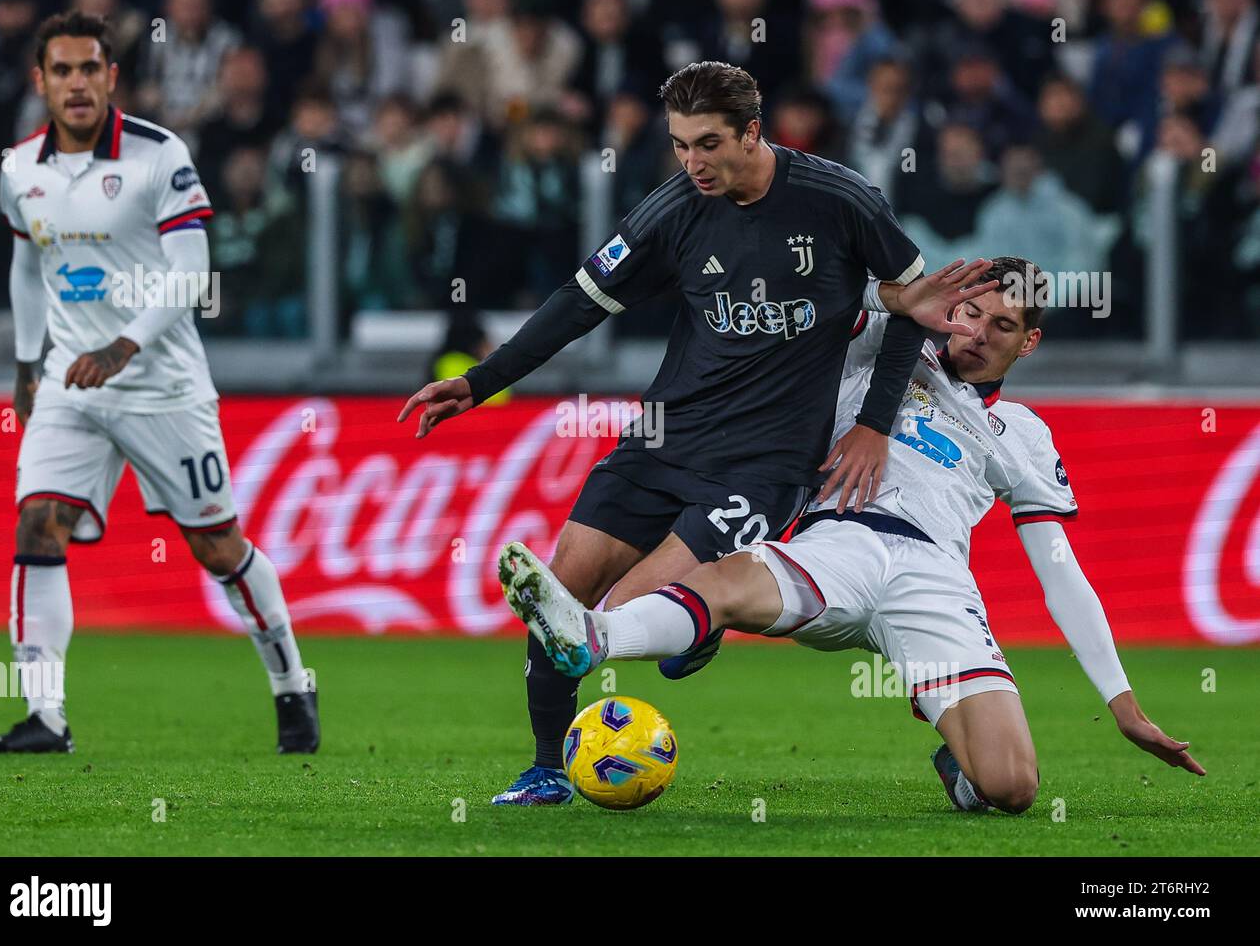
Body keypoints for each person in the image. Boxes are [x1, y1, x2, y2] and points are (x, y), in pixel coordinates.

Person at [400, 61, 991, 805]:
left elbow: (917, 304)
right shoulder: (673, 209)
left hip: (763, 465)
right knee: (560, 590)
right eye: (680, 145)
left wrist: (873, 424)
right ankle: (548, 767)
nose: (692, 163)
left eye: (708, 144)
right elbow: (579, 302)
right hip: (663, 438)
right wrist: (480, 382)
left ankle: (698, 622)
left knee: (614, 618)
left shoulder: (839, 199)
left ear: (753, 132)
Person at [501, 255, 1206, 814]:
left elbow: (1060, 571)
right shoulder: (883, 352)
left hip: (935, 578)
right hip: (841, 537)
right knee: (718, 582)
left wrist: (1125, 707)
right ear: (949, 308)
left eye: (1002, 326)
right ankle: (593, 638)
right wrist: (903, 291)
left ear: (1030, 341)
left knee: (1013, 788)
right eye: (969, 313)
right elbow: (836, 292)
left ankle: (958, 757)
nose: (977, 334)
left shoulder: (1023, 435)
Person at [0, 11, 318, 755]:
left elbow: (193, 272)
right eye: (61, 71)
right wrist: (29, 364)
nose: (76, 84)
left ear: (111, 76)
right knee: (38, 523)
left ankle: (291, 679)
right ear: (40, 82)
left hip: (163, 385)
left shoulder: (162, 157)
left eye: (89, 69)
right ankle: (45, 716)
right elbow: (27, 265)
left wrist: (126, 345)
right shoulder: (18, 169)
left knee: (218, 547)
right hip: (71, 380)